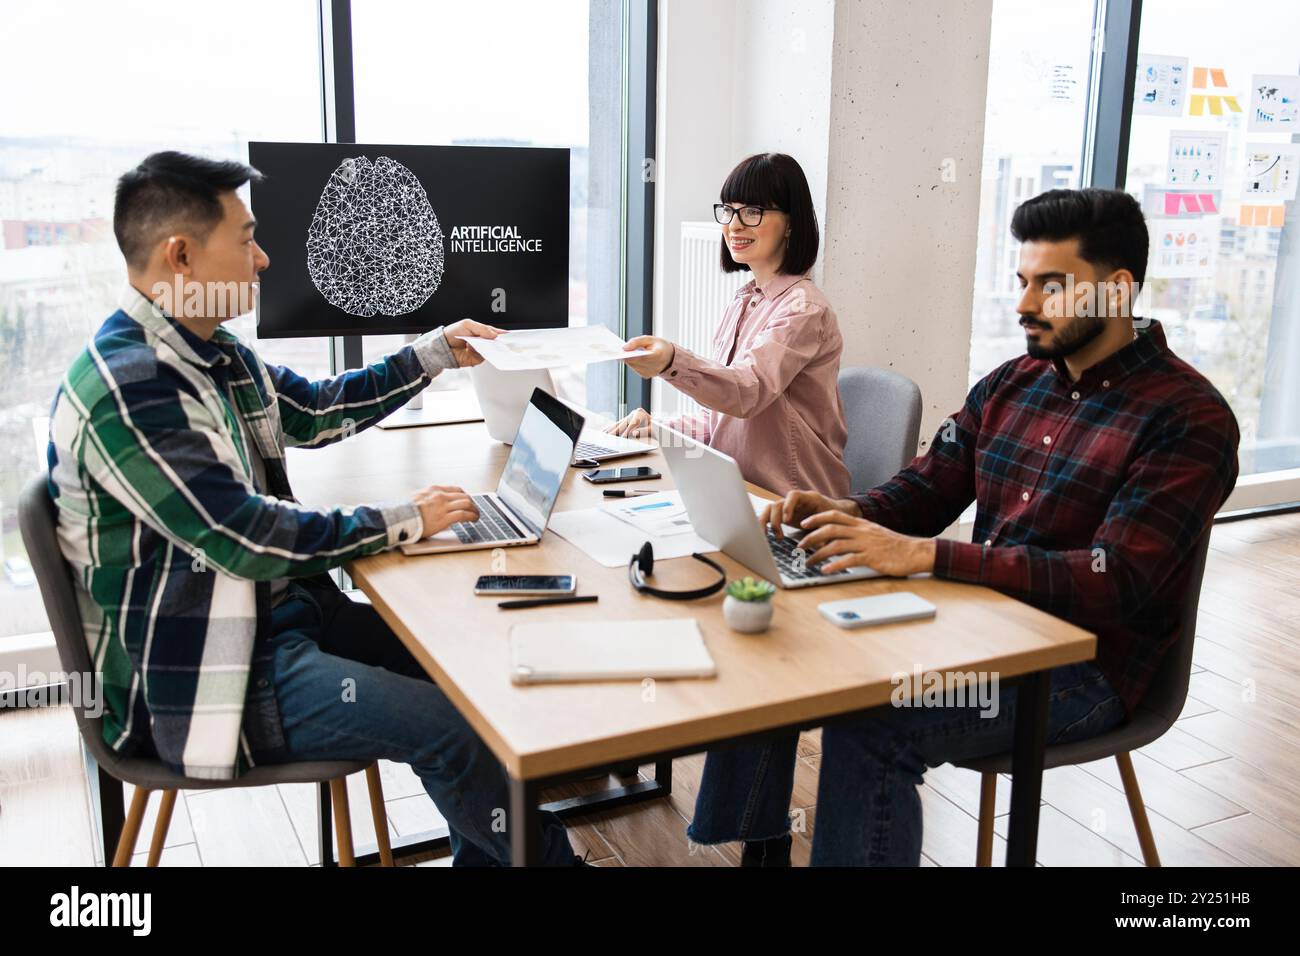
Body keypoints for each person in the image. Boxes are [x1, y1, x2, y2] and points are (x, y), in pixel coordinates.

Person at [47, 151, 577, 865]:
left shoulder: (213, 355)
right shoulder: (133, 385)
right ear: (181, 254)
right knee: (450, 726)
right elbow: (246, 536)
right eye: (246, 238)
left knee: (471, 672)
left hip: (278, 617)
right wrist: (402, 519)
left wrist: (436, 353)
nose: (262, 259)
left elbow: (317, 410)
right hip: (211, 672)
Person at [687, 187, 1240, 866]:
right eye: (1022, 281)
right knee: (780, 635)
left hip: (1080, 670)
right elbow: (929, 486)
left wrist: (925, 559)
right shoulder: (1013, 382)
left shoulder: (1187, 419)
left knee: (873, 718)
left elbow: (1116, 580)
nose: (1025, 305)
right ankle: (759, 850)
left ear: (1117, 290)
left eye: (1052, 286)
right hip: (976, 625)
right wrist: (851, 512)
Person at [608, 152, 850, 497]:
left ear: (791, 223)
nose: (734, 225)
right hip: (740, 490)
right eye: (729, 210)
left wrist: (671, 362)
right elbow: (723, 421)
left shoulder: (804, 310)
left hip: (792, 501)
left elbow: (747, 393)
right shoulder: (744, 300)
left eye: (752, 212)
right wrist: (657, 427)